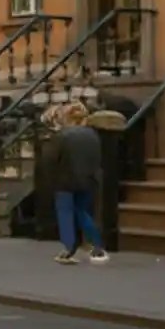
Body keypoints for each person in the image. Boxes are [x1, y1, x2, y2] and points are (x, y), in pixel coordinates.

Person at [39, 103, 111, 265]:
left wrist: (51, 180)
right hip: (88, 180)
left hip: (64, 181)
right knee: (82, 212)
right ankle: (97, 245)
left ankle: (68, 249)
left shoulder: (62, 136)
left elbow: (50, 160)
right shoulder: (93, 135)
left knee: (65, 213)